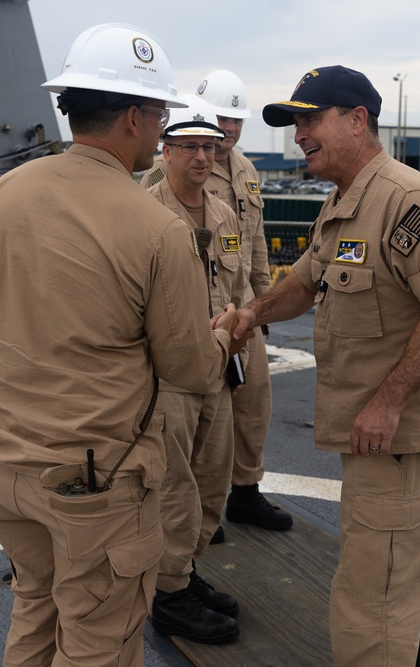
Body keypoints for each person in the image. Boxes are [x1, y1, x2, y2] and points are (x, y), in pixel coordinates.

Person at [0, 24, 250, 667]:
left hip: (4, 467)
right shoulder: (156, 227)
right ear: (136, 119)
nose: (164, 126)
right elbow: (191, 370)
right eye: (163, 113)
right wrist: (226, 331)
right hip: (96, 485)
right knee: (99, 640)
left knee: (35, 610)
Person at [234, 65, 420, 666]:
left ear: (358, 120)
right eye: (296, 124)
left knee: (373, 600)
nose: (299, 135)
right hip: (368, 438)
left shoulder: (407, 200)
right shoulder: (344, 203)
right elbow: (305, 283)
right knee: (399, 561)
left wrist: (388, 400)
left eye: (310, 120)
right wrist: (250, 314)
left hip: (398, 438)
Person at [143, 70, 290, 539]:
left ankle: (241, 493)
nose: (226, 131)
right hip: (188, 325)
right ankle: (194, 516)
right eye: (220, 120)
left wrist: (261, 308)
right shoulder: (158, 184)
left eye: (234, 122)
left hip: (241, 310)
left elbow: (254, 244)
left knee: (251, 408)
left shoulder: (245, 173)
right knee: (191, 426)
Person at [146, 96, 248, 645]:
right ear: (165, 152)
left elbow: (236, 283)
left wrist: (243, 321)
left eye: (210, 148)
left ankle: (186, 569)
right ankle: (169, 593)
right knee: (175, 485)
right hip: (173, 372)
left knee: (213, 478)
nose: (202, 157)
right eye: (190, 147)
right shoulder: (146, 211)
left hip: (221, 362)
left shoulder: (225, 213)